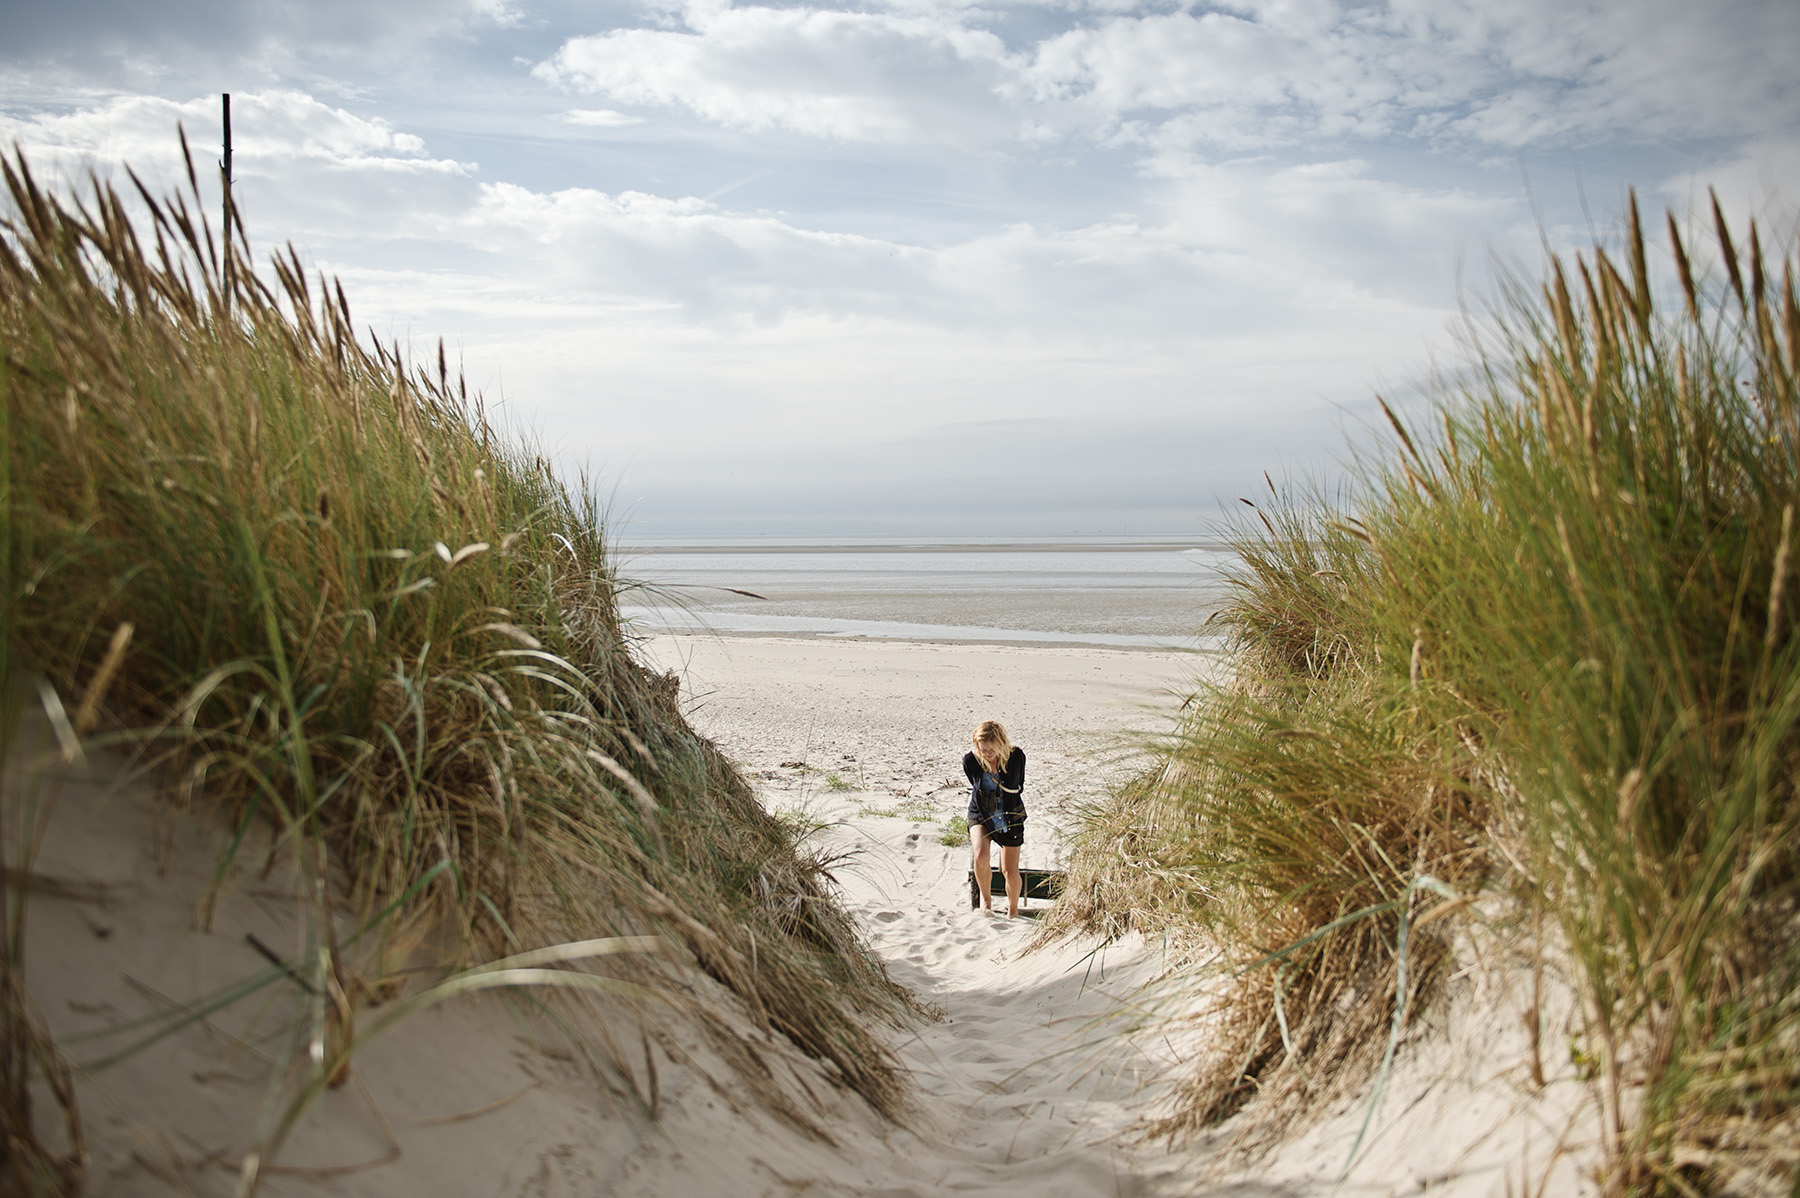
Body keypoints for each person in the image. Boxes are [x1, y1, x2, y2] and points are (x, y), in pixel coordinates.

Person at [964, 720, 1026, 918]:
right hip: (981, 812)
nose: (987, 753)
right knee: (980, 854)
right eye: (983, 749)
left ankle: (1013, 910)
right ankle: (986, 902)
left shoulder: (1016, 756)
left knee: (1009, 870)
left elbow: (1018, 785)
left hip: (1009, 814)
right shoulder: (971, 760)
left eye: (991, 749)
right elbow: (975, 785)